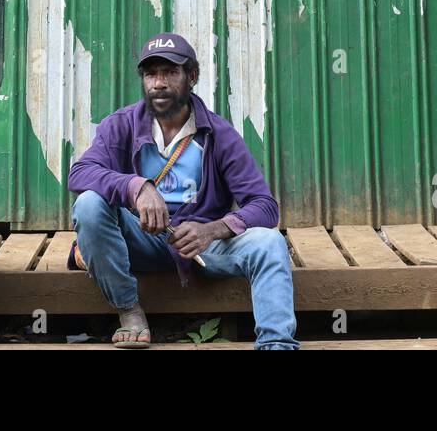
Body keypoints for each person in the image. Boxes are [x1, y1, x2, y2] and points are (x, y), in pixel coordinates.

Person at [67, 33, 298, 349]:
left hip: (200, 246)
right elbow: (80, 173)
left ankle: (277, 344)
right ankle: (129, 310)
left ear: (192, 77)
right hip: (140, 238)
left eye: (170, 72)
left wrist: (212, 230)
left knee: (271, 242)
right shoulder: (120, 125)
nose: (158, 83)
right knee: (89, 204)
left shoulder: (219, 134)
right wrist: (136, 186)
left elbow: (265, 205)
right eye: (151, 74)